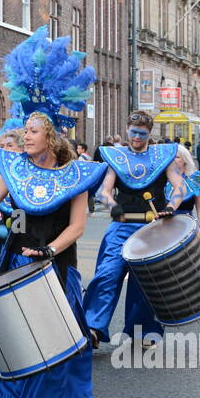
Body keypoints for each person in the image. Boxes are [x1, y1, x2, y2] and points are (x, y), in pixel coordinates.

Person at [0, 112, 105, 398]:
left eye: (33, 131)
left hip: (55, 264)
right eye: (25, 130)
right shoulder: (13, 168)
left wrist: (50, 251)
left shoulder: (75, 174)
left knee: (52, 340)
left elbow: (77, 226)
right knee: (17, 334)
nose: (25, 136)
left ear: (52, 137)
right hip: (15, 261)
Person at [84, 110, 186, 347]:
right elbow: (104, 191)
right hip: (122, 225)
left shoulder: (163, 157)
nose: (137, 137)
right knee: (107, 273)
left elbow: (179, 186)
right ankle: (93, 327)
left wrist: (171, 206)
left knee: (147, 281)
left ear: (150, 134)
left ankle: (143, 331)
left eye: (142, 134)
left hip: (153, 227)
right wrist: (112, 205)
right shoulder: (116, 158)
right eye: (133, 132)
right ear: (127, 130)